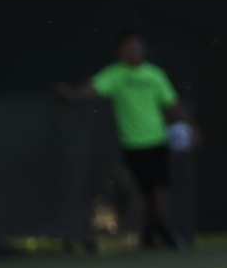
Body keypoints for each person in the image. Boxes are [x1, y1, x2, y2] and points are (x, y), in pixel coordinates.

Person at [57, 28, 194, 249]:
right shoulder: (115, 75)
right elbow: (92, 87)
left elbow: (172, 103)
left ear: (143, 48)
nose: (133, 50)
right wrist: (72, 94)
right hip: (133, 144)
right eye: (128, 46)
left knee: (156, 189)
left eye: (136, 45)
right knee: (150, 189)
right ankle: (161, 231)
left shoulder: (155, 75)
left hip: (158, 141)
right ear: (121, 50)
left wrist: (190, 125)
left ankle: (150, 234)